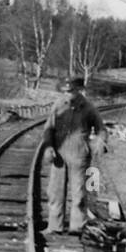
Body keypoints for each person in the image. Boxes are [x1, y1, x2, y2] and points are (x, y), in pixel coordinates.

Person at [43, 76, 104, 236]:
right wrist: (48, 147)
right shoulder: (58, 105)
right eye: (64, 91)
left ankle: (77, 228)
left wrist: (100, 141)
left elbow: (101, 129)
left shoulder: (88, 108)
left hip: (79, 155)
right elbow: (49, 128)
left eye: (70, 91)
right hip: (59, 155)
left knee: (79, 194)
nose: (67, 94)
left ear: (78, 90)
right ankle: (54, 226)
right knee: (55, 192)